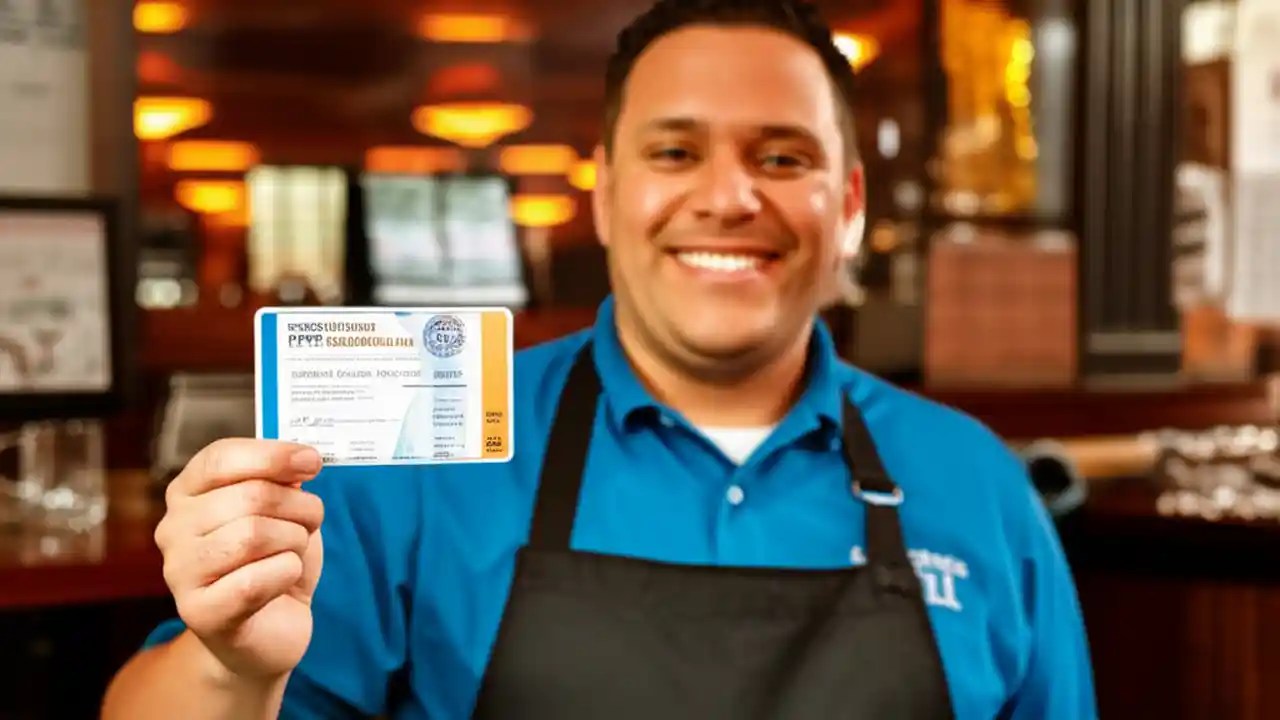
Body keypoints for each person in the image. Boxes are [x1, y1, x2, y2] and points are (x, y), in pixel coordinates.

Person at [102, 1, 1098, 718]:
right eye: (674, 153)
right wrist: (232, 669)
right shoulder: (417, 460)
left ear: (844, 206)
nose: (727, 198)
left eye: (782, 157)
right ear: (605, 193)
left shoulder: (973, 482)